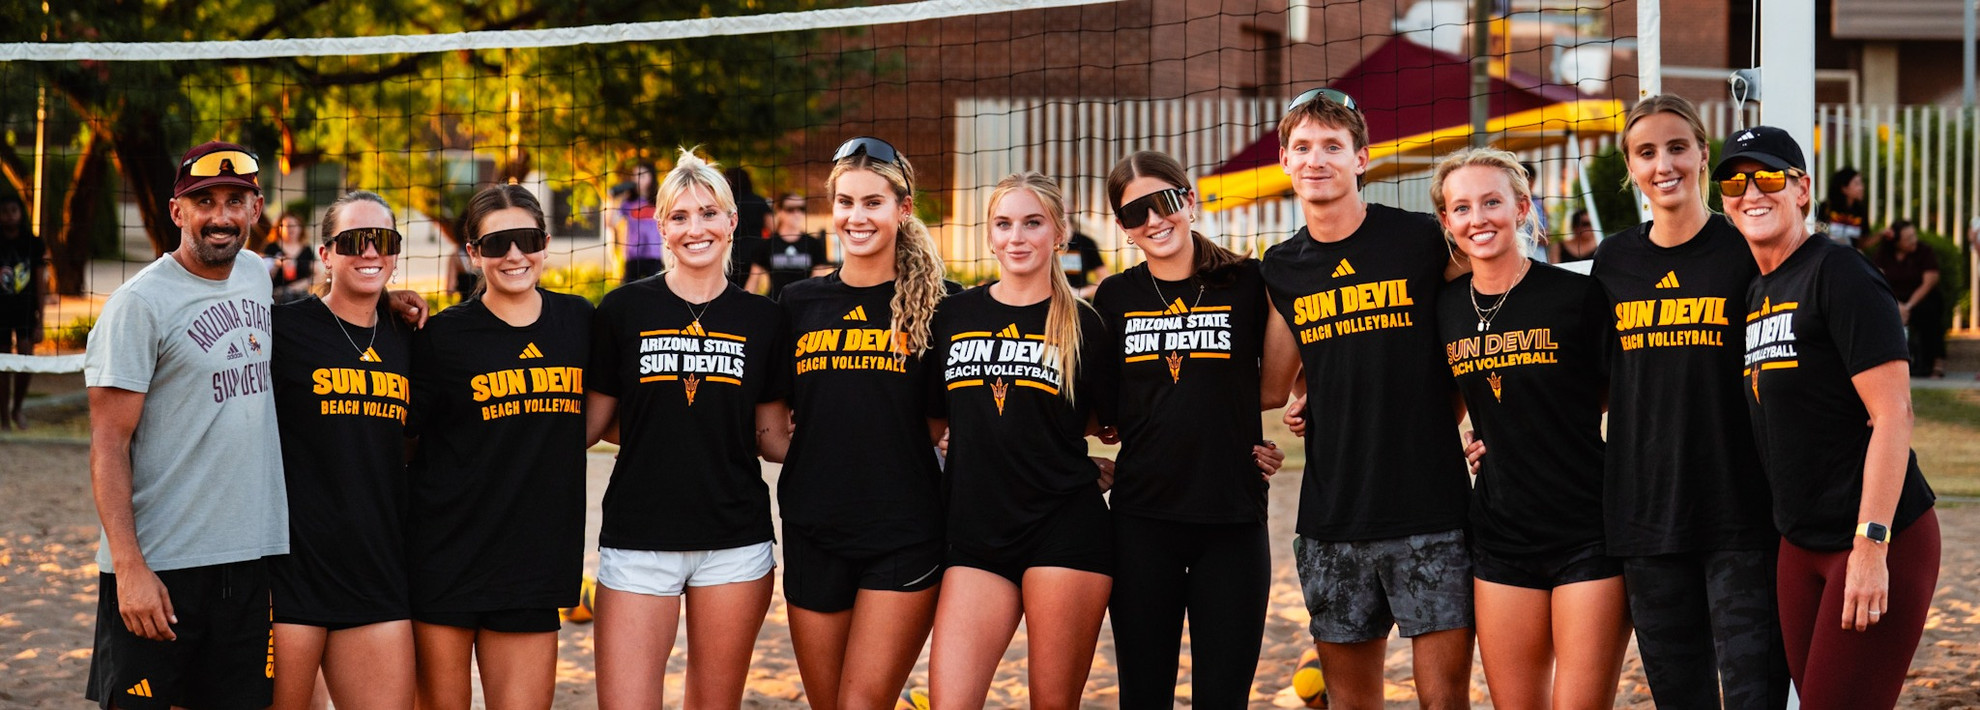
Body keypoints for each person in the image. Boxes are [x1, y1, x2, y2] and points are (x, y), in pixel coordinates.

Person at [1263, 87, 1476, 710]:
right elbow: (1276, 384)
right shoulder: (1283, 265)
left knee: (1444, 701)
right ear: (1285, 160)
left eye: (1333, 146)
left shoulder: (1423, 240)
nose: (1316, 159)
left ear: (1362, 158)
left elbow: (1489, 321)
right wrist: (1309, 391)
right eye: (1302, 147)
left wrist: (1483, 413)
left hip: (1431, 510)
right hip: (1334, 518)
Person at [1716, 125, 1940, 710]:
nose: (1751, 192)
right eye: (1735, 181)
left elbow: (1895, 415)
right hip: (1800, 542)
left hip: (1873, 536)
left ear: (1802, 190)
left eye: (1767, 176)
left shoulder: (1840, 272)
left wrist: (1871, 547)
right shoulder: (1757, 292)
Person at [1590, 95, 1788, 708]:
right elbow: (1588, 383)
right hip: (1646, 520)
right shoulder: (1614, 260)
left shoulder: (1744, 250)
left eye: (1677, 146)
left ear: (1704, 154)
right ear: (1631, 168)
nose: (1663, 164)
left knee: (1755, 697)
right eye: (1646, 152)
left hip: (1742, 516)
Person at [82, 141, 289, 710]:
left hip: (248, 561)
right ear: (178, 212)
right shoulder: (138, 305)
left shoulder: (254, 274)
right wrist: (129, 569)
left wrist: (390, 305)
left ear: (255, 209)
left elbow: (324, 317)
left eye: (234, 201)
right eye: (204, 202)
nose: (220, 217)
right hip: (162, 567)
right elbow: (107, 446)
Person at [587, 148, 792, 710]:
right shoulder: (623, 309)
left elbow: (772, 439)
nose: (694, 228)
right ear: (661, 227)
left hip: (734, 541)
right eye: (679, 216)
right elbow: (596, 425)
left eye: (708, 213)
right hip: (638, 538)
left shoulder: (763, 318)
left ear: (731, 223)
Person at [1092, 150, 1294, 707]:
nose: (1154, 220)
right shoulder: (1115, 296)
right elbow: (1100, 407)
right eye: (1136, 214)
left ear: (1190, 199)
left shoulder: (1248, 282)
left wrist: (1252, 425)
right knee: (1144, 695)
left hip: (1230, 515)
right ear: (1122, 228)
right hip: (1141, 521)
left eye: (1164, 202)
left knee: (1223, 698)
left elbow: (1275, 389)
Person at [1431, 147, 1629, 708]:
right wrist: (1305, 398)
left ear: (1521, 208)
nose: (1478, 219)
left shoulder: (1575, 295)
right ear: (1447, 222)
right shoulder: (1444, 307)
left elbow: (1615, 390)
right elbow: (1434, 398)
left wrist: (1542, 422)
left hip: (1588, 530)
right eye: (1462, 208)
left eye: (1491, 202)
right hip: (1499, 536)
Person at [773, 137, 951, 709]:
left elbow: (943, 420)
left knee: (862, 704)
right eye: (846, 202)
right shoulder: (797, 303)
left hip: (904, 529)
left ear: (902, 209)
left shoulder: (942, 306)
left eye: (873, 202)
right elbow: (776, 415)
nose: (857, 216)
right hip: (813, 526)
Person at [926, 171, 1115, 710]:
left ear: (1059, 232)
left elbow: (1118, 421)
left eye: (1033, 223)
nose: (1017, 237)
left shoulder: (1086, 325)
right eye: (1004, 224)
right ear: (989, 235)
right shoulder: (953, 315)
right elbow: (935, 419)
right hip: (976, 533)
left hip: (1064, 531)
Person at [405, 183, 591, 710]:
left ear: (546, 241)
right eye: (495, 244)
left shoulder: (578, 321)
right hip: (444, 560)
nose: (513, 255)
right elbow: (402, 440)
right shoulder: (441, 337)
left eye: (526, 239)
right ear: (472, 253)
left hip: (532, 565)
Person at [267, 191, 416, 710]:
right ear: (326, 254)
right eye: (354, 240)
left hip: (376, 573)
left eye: (384, 241)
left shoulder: (410, 338)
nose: (370, 251)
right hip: (288, 575)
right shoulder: (282, 331)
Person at [1873, 219, 1946, 377]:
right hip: (1893, 299)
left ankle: (1937, 363)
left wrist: (1908, 307)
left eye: (1914, 235)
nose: (1914, 240)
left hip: (1919, 298)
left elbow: (1930, 281)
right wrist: (1896, 305)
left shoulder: (1924, 251)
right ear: (1896, 242)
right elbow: (1878, 281)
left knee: (1930, 312)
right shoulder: (1883, 254)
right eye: (1908, 238)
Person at [0, 194, 46, 430]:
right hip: (1, 313)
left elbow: (39, 282)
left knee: (26, 360)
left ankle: (17, 408)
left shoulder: (33, 242)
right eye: (5, 210)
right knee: (3, 363)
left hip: (26, 311)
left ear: (20, 213)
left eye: (13, 210)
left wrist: (41, 320)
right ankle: (3, 417)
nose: (9, 215)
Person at [765, 192, 830, 300]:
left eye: (801, 208)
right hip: (775, 303)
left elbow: (818, 281)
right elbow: (754, 281)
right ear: (779, 212)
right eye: (790, 209)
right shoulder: (768, 244)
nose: (797, 213)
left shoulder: (813, 244)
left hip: (805, 303)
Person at [613, 160, 667, 282]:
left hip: (655, 256)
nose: (637, 180)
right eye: (635, 176)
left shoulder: (660, 201)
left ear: (651, 177)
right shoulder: (628, 202)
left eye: (642, 175)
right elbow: (612, 223)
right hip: (633, 256)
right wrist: (614, 200)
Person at [726, 166, 772, 293]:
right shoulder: (758, 201)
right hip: (754, 252)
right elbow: (772, 226)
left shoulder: (726, 203)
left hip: (729, 251)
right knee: (750, 292)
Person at [264, 211, 317, 303]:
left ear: (301, 228)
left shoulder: (306, 249)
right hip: (276, 297)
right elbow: (262, 275)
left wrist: (296, 287)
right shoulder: (271, 247)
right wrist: (276, 264)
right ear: (279, 228)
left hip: (301, 296)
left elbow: (317, 274)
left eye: (295, 225)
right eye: (288, 226)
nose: (291, 229)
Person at [1817, 166, 1870, 249]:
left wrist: (1882, 234)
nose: (1861, 188)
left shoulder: (1860, 211)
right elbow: (1817, 232)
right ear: (1844, 188)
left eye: (1861, 183)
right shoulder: (1827, 208)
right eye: (1857, 184)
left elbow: (1863, 242)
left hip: (1850, 258)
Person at [1061, 229, 1110, 299]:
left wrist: (1080, 293)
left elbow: (1105, 277)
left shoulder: (1085, 242)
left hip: (1079, 304)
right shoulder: (1046, 241)